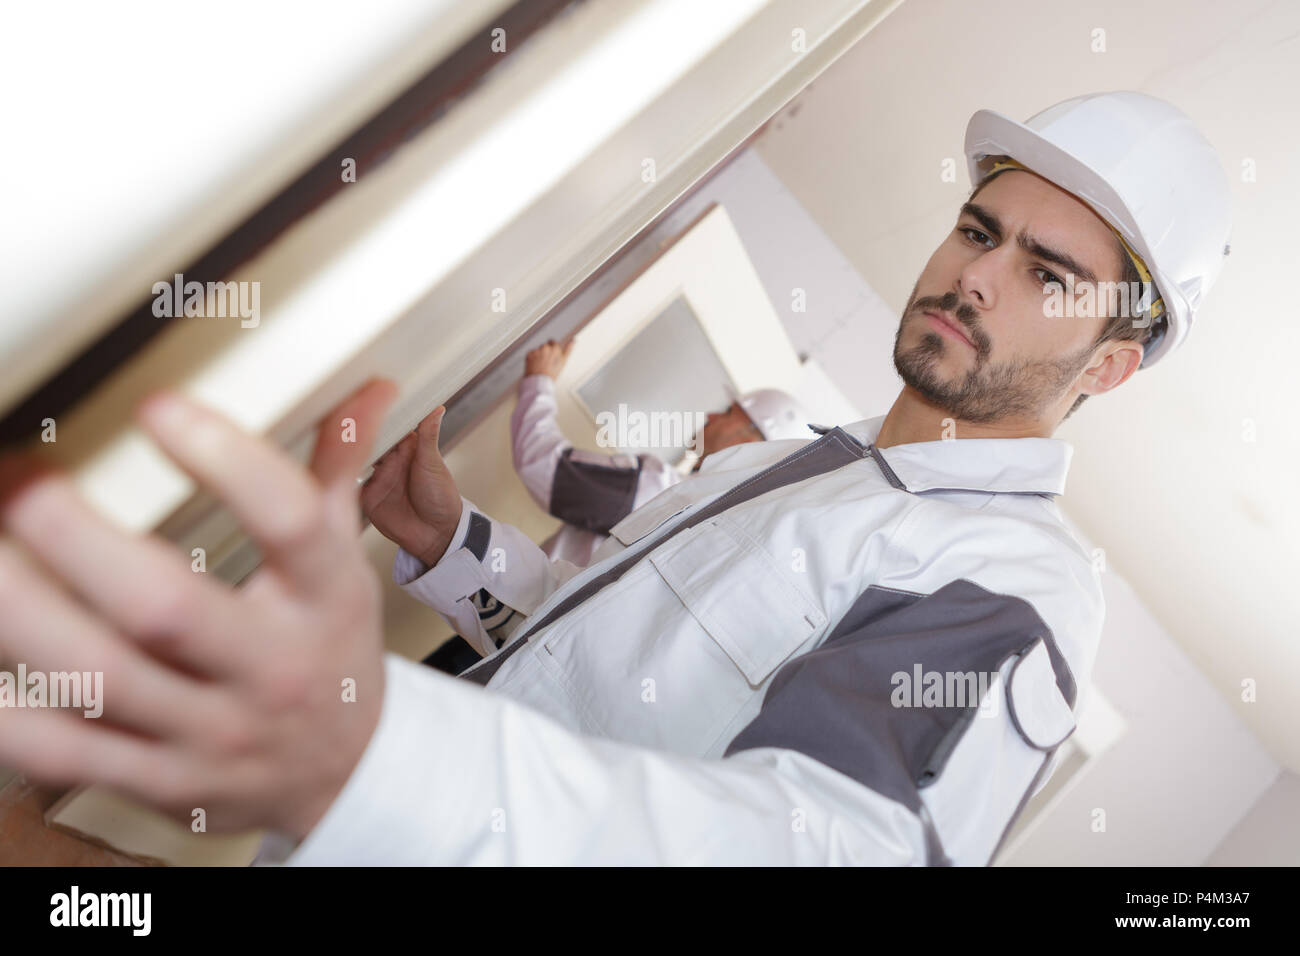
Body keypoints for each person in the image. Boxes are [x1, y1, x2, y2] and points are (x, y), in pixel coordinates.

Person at [0, 91, 1232, 865]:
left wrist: (370, 753)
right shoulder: (799, 464)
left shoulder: (1017, 581)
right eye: (977, 230)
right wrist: (451, 545)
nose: (976, 276)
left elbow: (813, 846)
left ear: (1108, 364)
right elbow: (595, 663)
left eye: (1047, 275)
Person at [427, 341, 811, 674]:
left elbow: (545, 470)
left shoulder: (661, 492)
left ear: (750, 440)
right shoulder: (703, 521)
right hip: (542, 645)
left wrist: (539, 380)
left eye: (728, 413)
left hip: (513, 621)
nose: (711, 416)